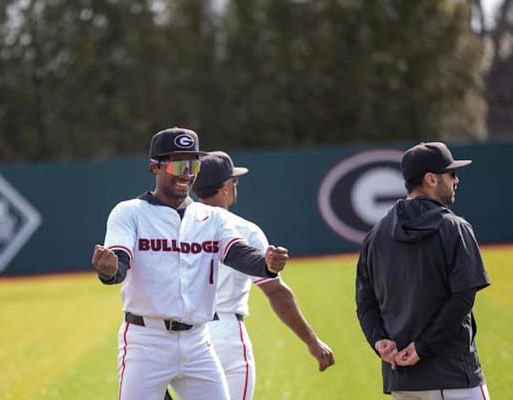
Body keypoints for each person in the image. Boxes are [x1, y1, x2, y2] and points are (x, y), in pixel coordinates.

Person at [92, 127, 290, 400]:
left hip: (197, 341)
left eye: (193, 164)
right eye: (178, 164)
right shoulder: (130, 212)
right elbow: (120, 263)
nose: (186, 173)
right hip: (146, 342)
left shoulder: (212, 217)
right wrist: (110, 270)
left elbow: (239, 254)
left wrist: (266, 263)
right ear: (155, 166)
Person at [188, 151, 335, 400]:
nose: (236, 185)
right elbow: (276, 291)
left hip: (187, 334)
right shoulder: (243, 229)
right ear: (225, 187)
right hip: (226, 333)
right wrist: (312, 341)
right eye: (234, 181)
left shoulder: (177, 225)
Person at [355, 142, 491, 400]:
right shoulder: (455, 228)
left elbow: (365, 304)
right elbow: (463, 298)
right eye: (451, 173)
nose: (456, 180)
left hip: (402, 381)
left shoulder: (375, 236)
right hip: (453, 377)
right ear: (431, 179)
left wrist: (379, 341)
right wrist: (422, 347)